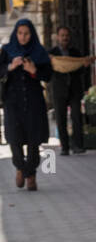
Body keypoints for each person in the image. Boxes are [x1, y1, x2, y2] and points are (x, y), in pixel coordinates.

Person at [1, 18, 54, 191]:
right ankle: (20, 168)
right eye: (20, 33)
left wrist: (34, 71)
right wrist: (10, 66)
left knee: (33, 139)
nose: (23, 37)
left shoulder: (39, 52)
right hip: (13, 101)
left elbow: (48, 75)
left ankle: (31, 174)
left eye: (26, 33)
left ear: (32, 34)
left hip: (33, 101)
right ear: (16, 33)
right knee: (14, 139)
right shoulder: (7, 51)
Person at [49, 25, 90, 155]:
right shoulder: (52, 53)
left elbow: (81, 70)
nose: (64, 38)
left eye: (67, 35)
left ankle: (78, 145)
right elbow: (47, 71)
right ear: (58, 37)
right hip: (59, 90)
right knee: (61, 119)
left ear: (69, 37)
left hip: (74, 89)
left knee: (77, 118)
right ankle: (65, 147)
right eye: (62, 35)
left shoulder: (76, 53)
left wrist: (85, 65)